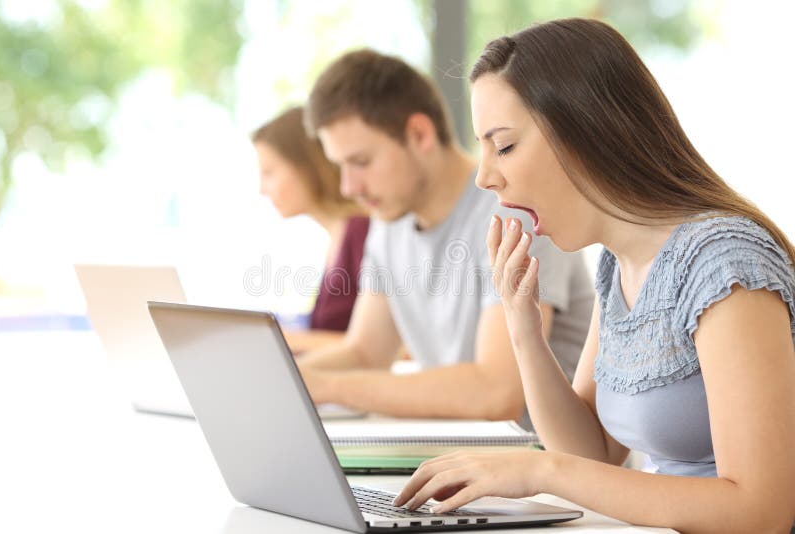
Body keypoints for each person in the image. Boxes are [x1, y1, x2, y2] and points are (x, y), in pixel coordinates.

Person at [393, 18, 795, 533]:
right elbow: (594, 453)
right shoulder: (619, 262)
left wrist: (540, 470)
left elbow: (760, 513)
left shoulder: (725, 261)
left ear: (586, 130)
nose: (484, 176)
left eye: (505, 145)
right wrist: (522, 325)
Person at [296, 49, 593, 426]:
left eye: (361, 162)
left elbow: (496, 392)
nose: (348, 187)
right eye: (340, 166)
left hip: (545, 464)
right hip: (467, 458)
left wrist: (327, 387)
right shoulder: (389, 221)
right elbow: (366, 352)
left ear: (419, 134)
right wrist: (284, 381)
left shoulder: (511, 207)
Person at [251, 106, 369, 353]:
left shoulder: (362, 231)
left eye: (269, 173)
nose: (262, 189)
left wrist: (284, 339)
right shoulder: (340, 232)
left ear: (307, 167)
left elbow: (384, 347)